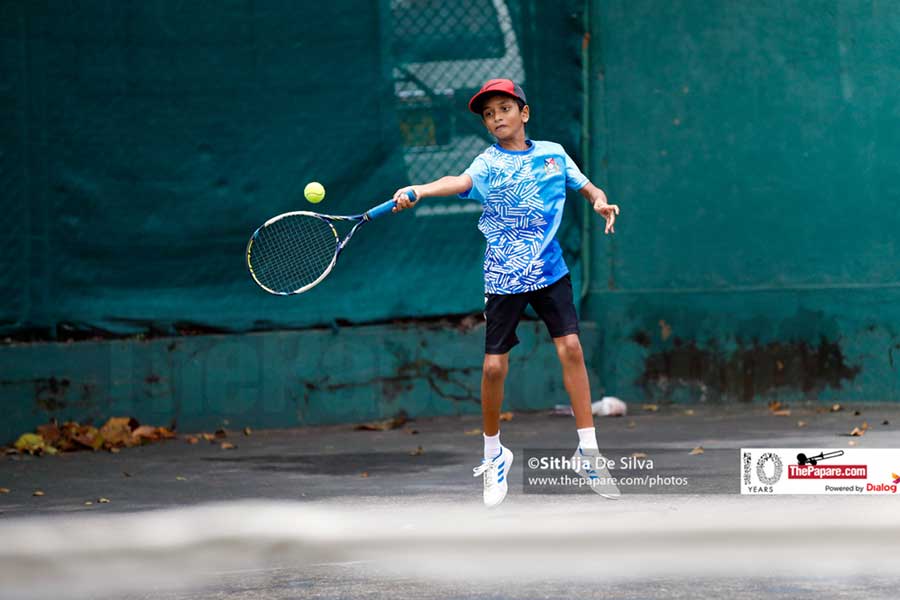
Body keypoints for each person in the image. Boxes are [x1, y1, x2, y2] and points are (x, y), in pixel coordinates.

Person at [392, 79, 620, 507]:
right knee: (494, 369)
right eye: (488, 114)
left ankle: (588, 453)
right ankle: (493, 453)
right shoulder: (487, 164)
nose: (496, 117)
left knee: (571, 347)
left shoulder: (553, 154)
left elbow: (587, 187)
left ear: (524, 113)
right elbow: (457, 182)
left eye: (504, 108)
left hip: (550, 271)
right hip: (503, 278)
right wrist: (420, 190)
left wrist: (599, 201)